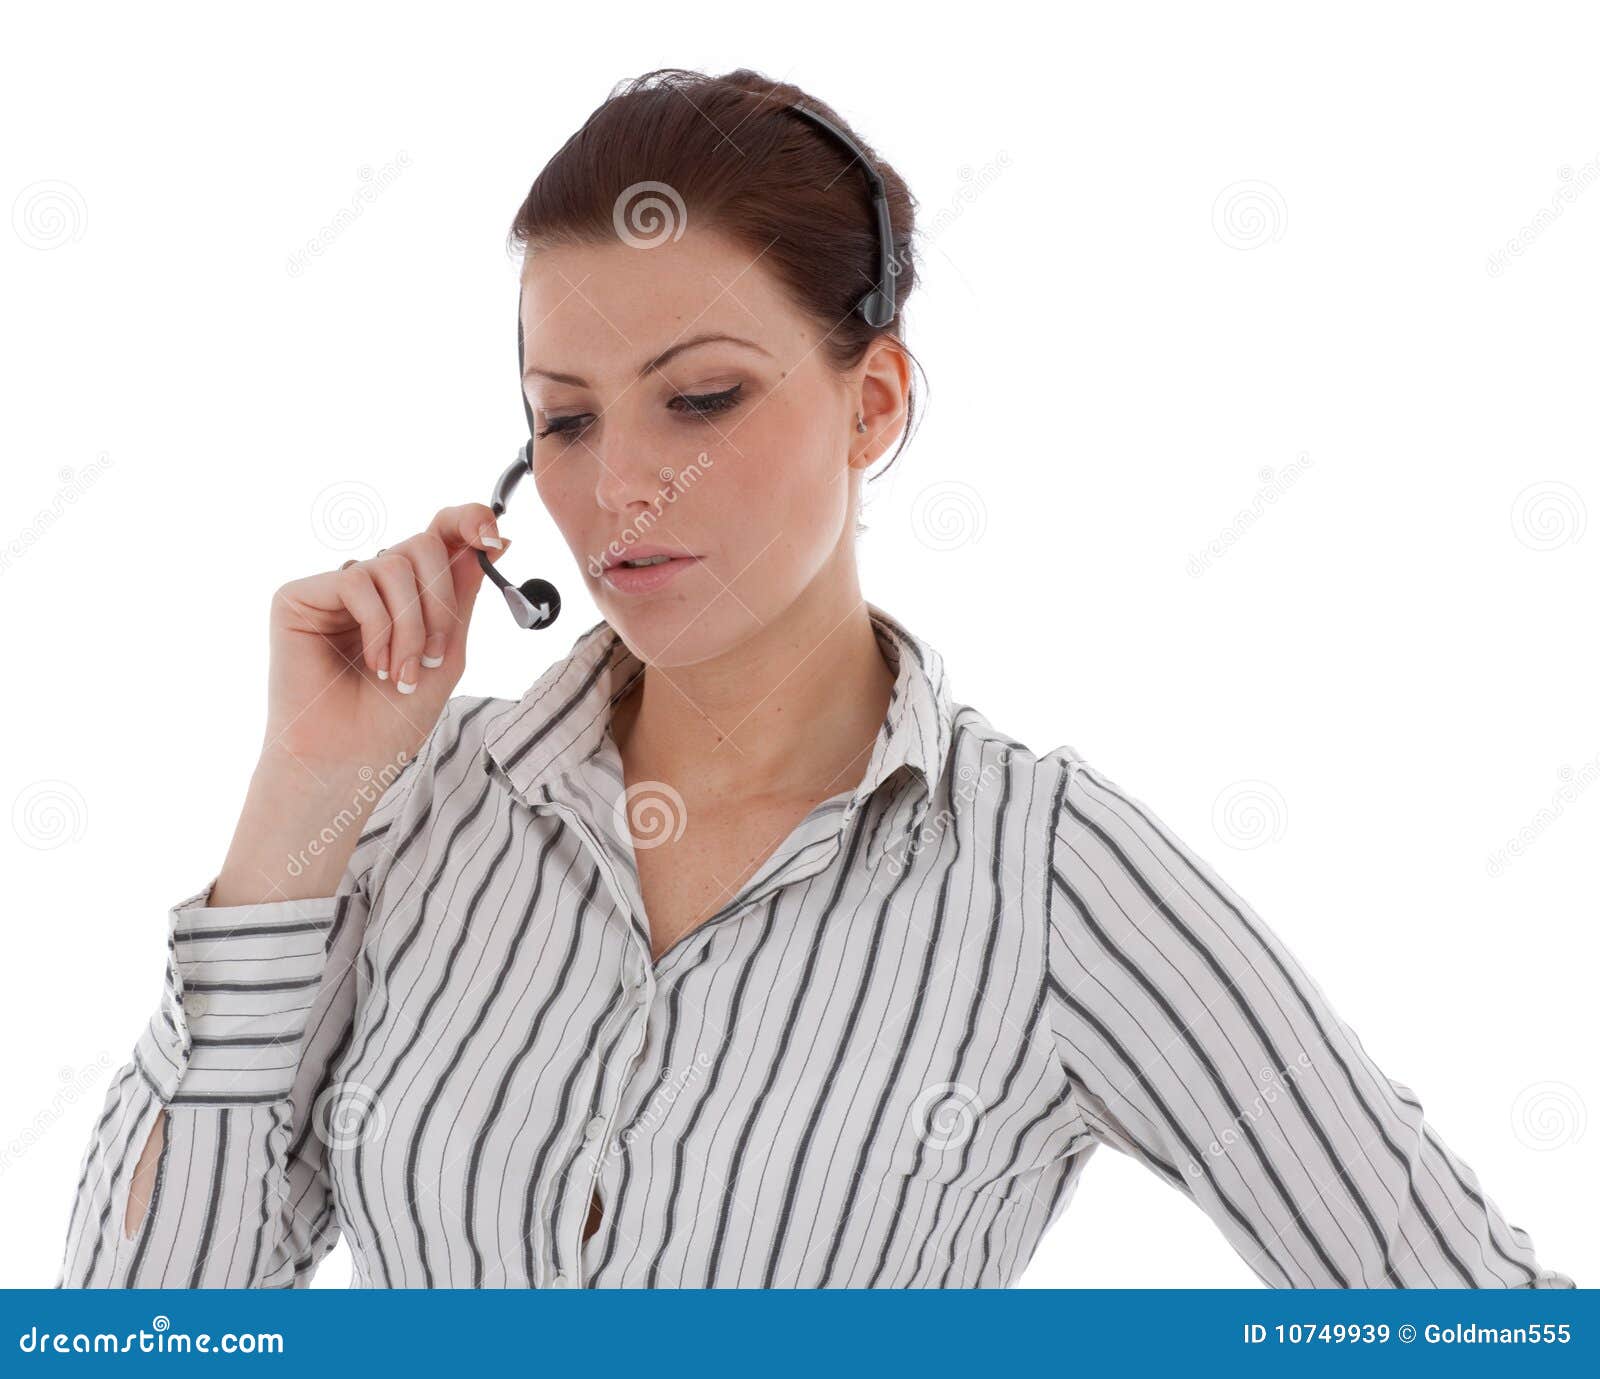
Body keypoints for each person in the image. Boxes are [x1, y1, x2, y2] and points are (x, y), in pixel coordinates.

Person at [57, 67, 1574, 1290]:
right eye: (566, 421)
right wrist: (301, 811)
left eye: (701, 397)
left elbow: (1468, 1319)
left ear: (875, 403)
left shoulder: (1047, 881)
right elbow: (140, 1331)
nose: (621, 490)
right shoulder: (414, 815)